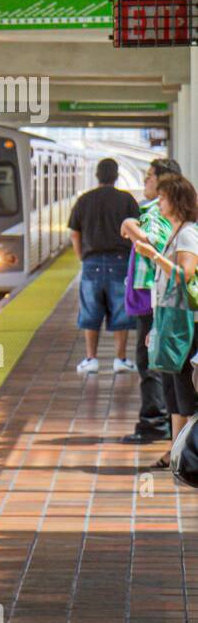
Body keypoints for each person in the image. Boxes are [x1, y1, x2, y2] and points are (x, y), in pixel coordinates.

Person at [130, 174, 198, 466]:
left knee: (183, 387)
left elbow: (185, 274)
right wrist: (157, 327)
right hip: (171, 319)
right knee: (172, 388)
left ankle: (187, 454)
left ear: (177, 201)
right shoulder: (174, 231)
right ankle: (175, 452)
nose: (158, 202)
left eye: (163, 198)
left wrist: (153, 255)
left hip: (186, 323)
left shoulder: (187, 234)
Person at [120, 158, 182, 445]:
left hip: (154, 297)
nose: (145, 182)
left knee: (150, 362)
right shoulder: (161, 212)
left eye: (148, 177)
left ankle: (155, 422)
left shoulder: (156, 213)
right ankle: (163, 421)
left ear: (162, 182)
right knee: (153, 360)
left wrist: (131, 226)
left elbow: (155, 246)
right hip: (155, 295)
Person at [68, 158, 140, 374]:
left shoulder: (84, 200)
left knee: (90, 311)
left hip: (92, 262)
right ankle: (121, 359)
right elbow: (137, 231)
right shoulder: (126, 200)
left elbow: (74, 233)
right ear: (116, 175)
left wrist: (82, 257)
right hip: (120, 262)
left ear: (97, 175)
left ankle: (91, 359)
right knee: (121, 310)